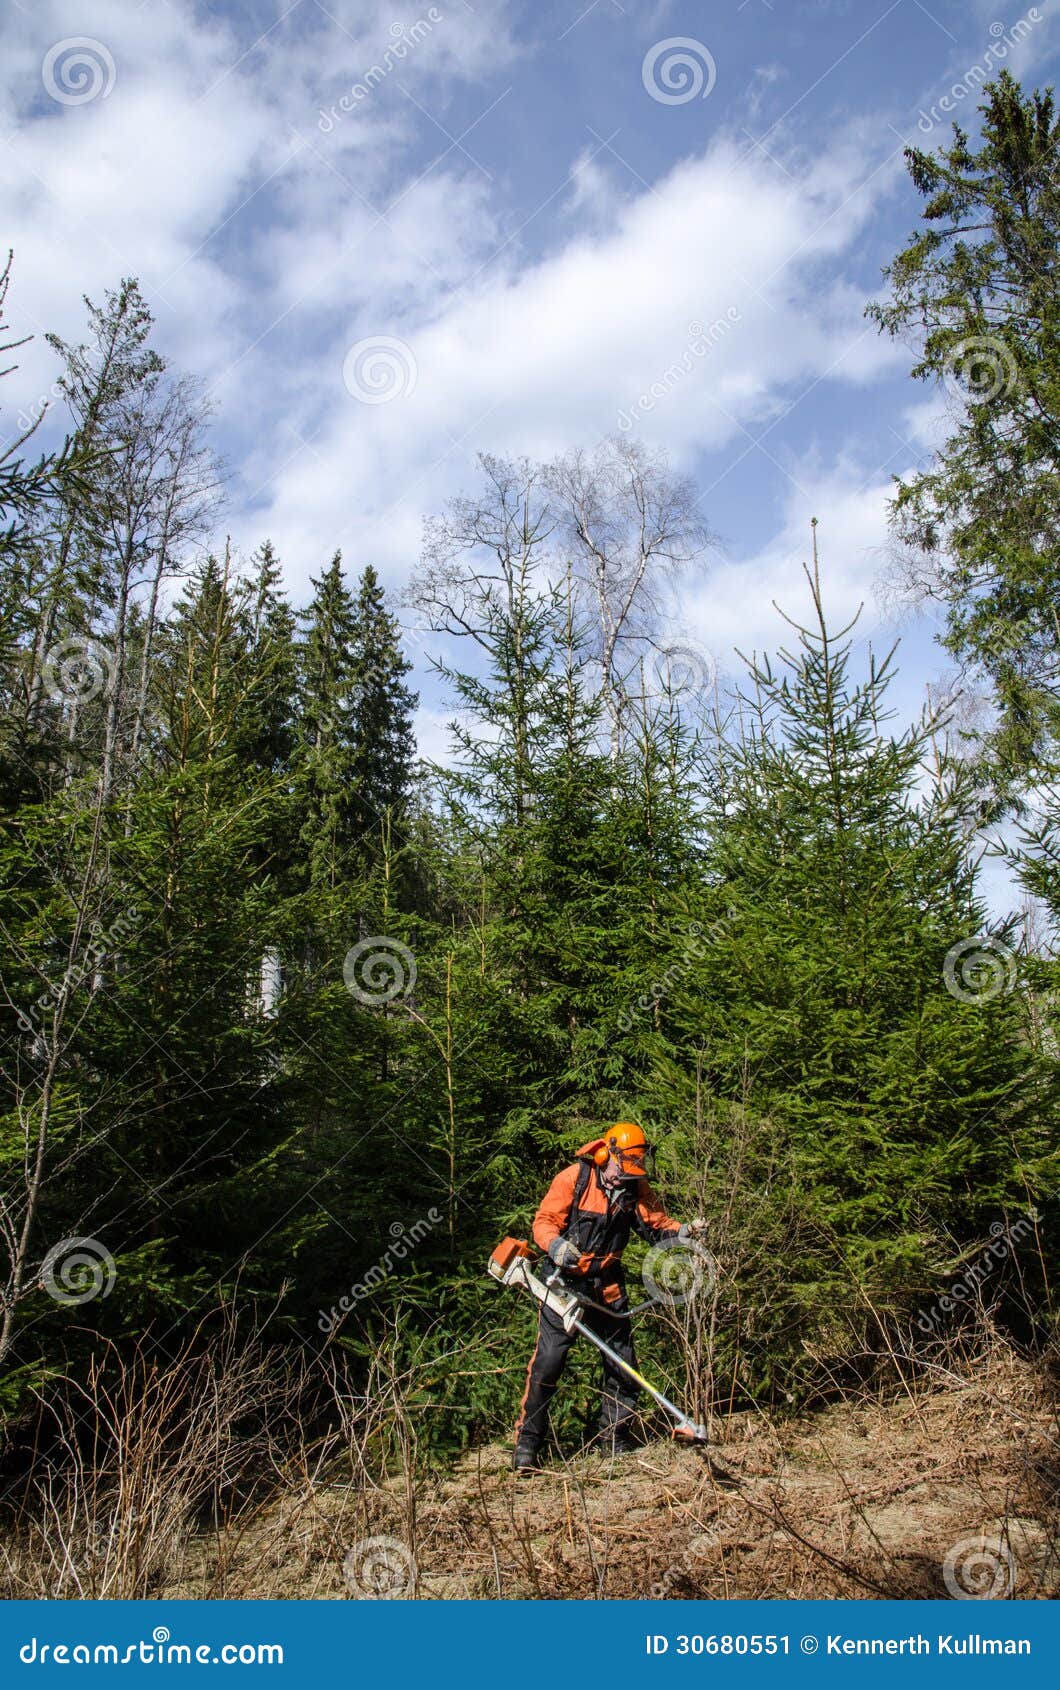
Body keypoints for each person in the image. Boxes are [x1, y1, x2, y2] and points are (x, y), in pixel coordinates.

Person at [512, 1122, 705, 1472]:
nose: (624, 1177)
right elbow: (543, 1222)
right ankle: (527, 1445)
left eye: (633, 1170)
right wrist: (556, 1246)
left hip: (607, 1285)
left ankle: (614, 1439)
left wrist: (684, 1232)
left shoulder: (634, 1188)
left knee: (622, 1361)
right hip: (564, 1285)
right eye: (622, 1169)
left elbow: (656, 1225)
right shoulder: (574, 1179)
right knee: (549, 1361)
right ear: (606, 1153)